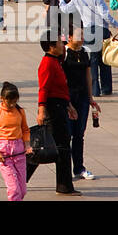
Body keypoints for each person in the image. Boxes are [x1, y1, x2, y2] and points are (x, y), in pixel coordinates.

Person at [58, 0, 118, 98]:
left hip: (89, 30)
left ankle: (95, 90)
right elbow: (105, 14)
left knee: (93, 61)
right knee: (105, 59)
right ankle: (107, 88)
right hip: (102, 29)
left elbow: (66, 9)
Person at [36, 33, 80, 196]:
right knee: (61, 147)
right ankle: (64, 186)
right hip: (52, 109)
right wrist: (41, 110)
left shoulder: (55, 61)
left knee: (61, 146)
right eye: (59, 44)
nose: (63, 45)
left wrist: (69, 105)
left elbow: (60, 88)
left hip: (60, 106)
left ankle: (65, 184)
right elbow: (44, 88)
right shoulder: (47, 63)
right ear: (51, 48)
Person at [63, 25, 100, 182]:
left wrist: (91, 97)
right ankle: (64, 171)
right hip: (68, 98)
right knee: (67, 134)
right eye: (79, 35)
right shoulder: (63, 53)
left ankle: (79, 168)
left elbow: (88, 76)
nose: (82, 38)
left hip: (82, 97)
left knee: (79, 134)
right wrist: (65, 101)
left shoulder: (85, 52)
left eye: (83, 35)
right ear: (70, 37)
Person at [0, 82, 32, 201]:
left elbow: (25, 130)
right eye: (9, 102)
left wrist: (27, 145)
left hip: (19, 150)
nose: (12, 104)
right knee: (14, 189)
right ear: (2, 99)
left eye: (15, 102)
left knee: (22, 190)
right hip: (3, 152)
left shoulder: (20, 111)